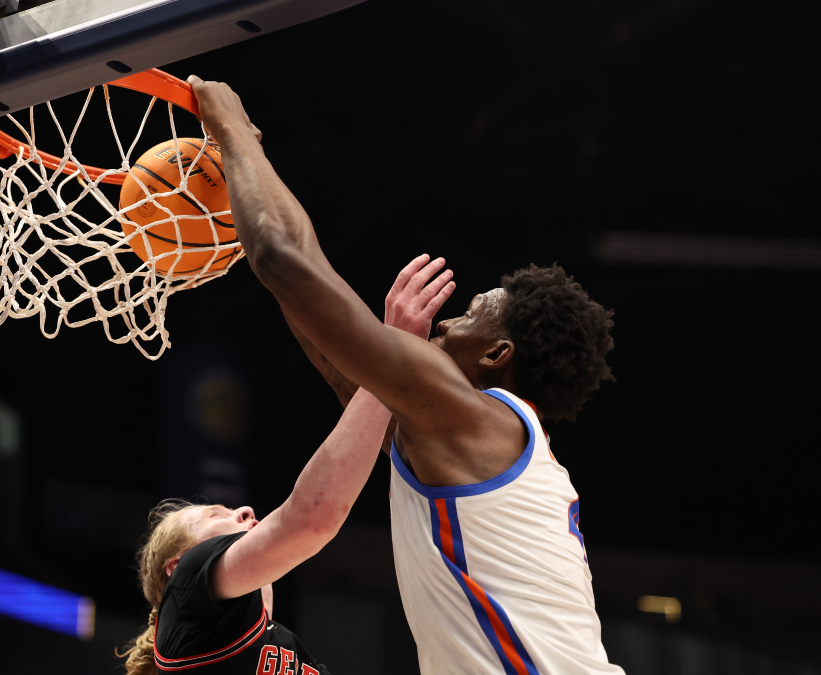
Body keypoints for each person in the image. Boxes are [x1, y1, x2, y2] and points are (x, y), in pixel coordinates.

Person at [187, 74, 623, 674]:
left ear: (496, 356)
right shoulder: (473, 442)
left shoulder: (477, 422)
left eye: (467, 315)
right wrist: (246, 196)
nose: (444, 325)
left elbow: (286, 262)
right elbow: (337, 360)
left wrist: (236, 134)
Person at [118, 385, 395, 675]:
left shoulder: (291, 651)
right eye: (217, 514)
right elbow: (313, 518)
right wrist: (387, 372)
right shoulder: (188, 597)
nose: (245, 511)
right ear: (179, 567)